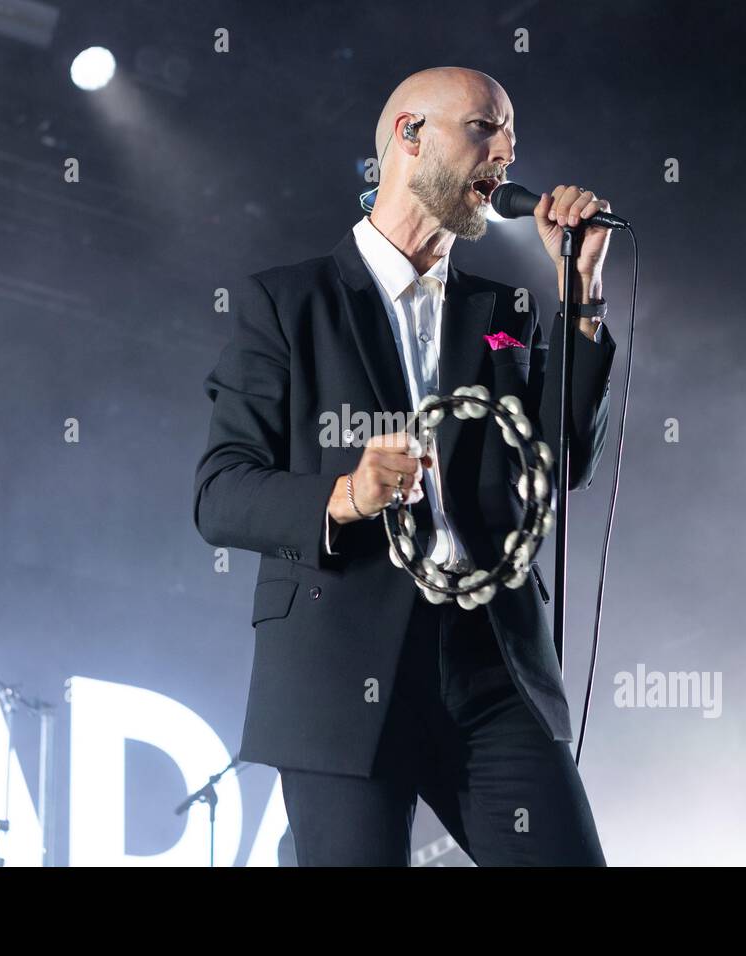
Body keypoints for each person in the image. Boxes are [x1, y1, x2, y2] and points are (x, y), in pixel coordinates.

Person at [193, 66, 616, 865]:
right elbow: (221, 492)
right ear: (408, 136)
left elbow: (560, 465)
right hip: (342, 660)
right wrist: (347, 494)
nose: (508, 153)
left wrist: (581, 293)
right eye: (485, 128)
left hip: (491, 664)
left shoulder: (503, 310)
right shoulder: (291, 304)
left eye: (514, 135)